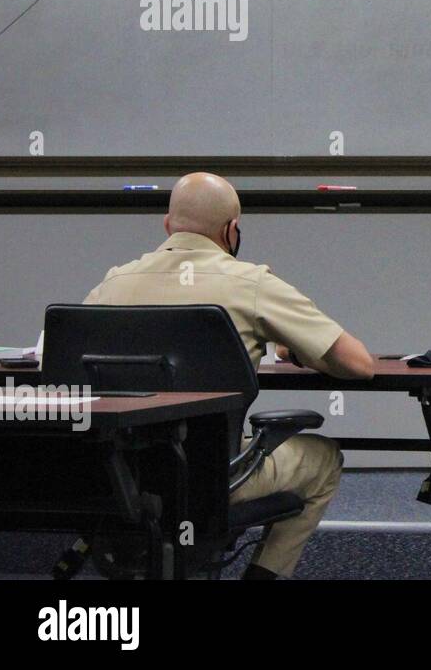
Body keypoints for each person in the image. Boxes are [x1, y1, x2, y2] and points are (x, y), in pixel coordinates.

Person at [83, 172, 374, 578]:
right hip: (214, 474)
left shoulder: (114, 282)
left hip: (119, 476)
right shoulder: (251, 283)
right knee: (323, 458)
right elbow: (359, 364)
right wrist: (296, 350)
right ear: (231, 231)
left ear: (167, 226)